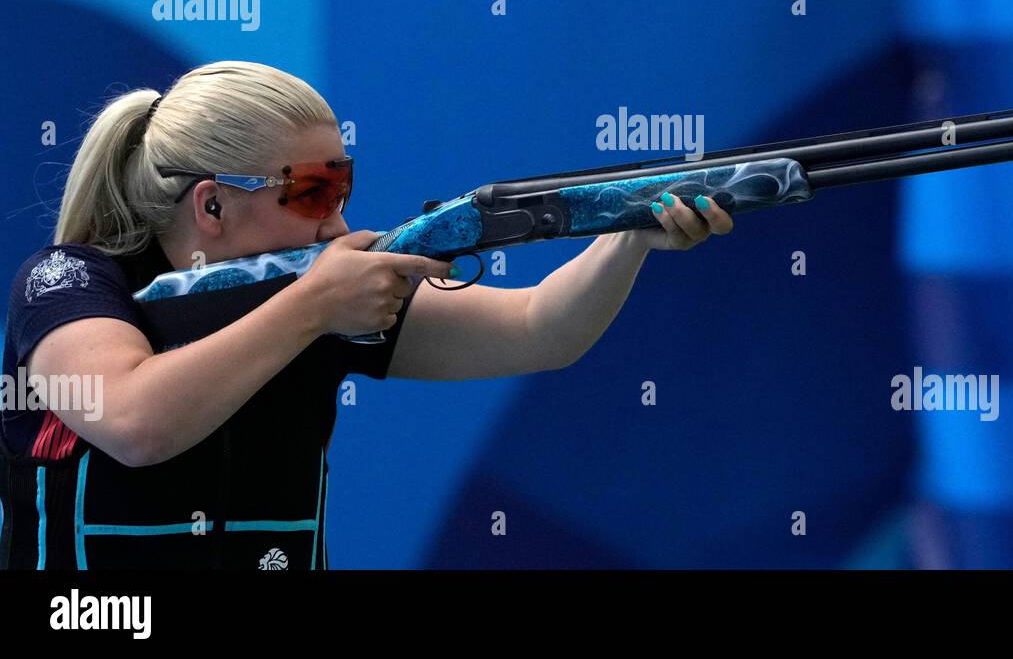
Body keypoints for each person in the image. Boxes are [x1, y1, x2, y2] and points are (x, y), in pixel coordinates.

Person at [0, 60, 733, 569]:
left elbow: (543, 328)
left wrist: (629, 235)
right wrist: (314, 305)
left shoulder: (324, 293)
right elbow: (136, 422)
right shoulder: (68, 283)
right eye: (313, 192)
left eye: (344, 188)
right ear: (212, 204)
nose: (337, 221)